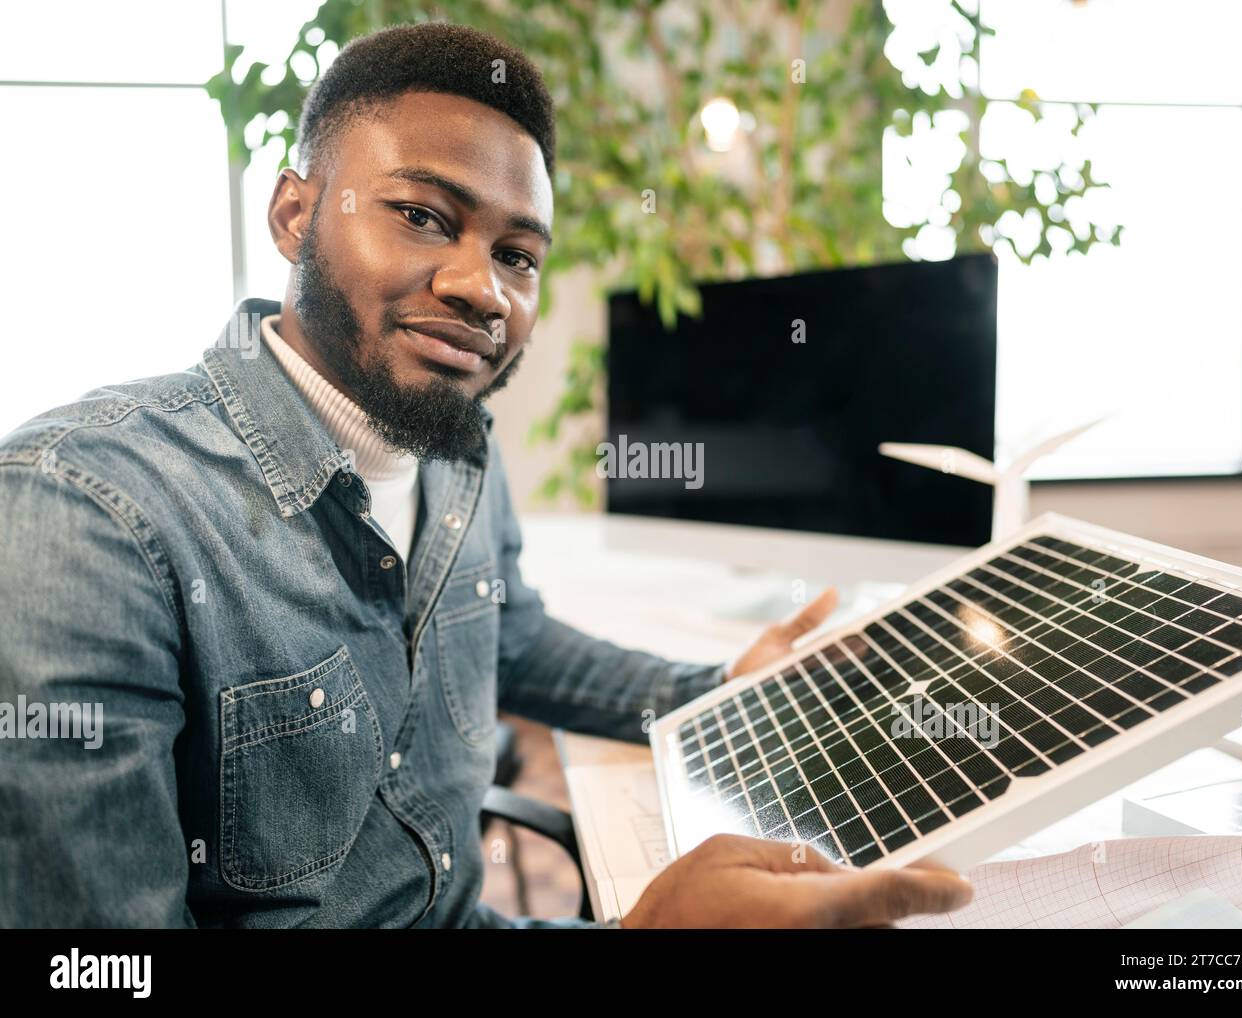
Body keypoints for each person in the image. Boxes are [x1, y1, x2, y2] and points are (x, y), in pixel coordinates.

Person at [0, 21, 970, 929]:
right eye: (422, 216)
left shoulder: (455, 442)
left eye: (518, 255)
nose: (481, 289)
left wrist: (713, 685)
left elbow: (511, 635)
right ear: (296, 213)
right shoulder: (83, 514)